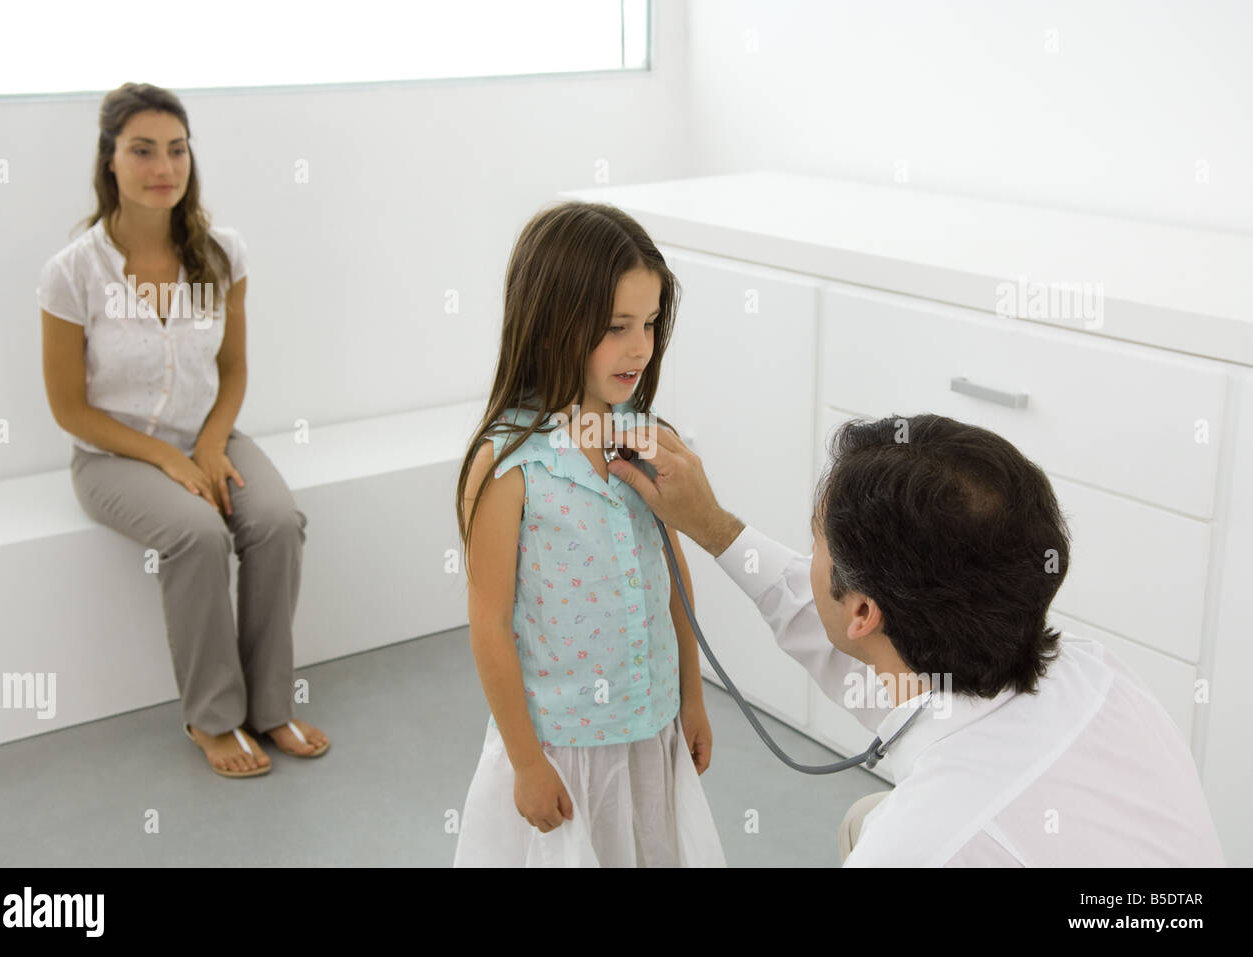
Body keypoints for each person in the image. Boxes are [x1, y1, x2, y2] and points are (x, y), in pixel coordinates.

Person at [606, 414, 1227, 866]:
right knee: (863, 820)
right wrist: (713, 526)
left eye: (816, 542)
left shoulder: (922, 844)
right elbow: (826, 614)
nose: (808, 559)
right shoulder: (1095, 673)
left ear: (865, 612)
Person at [37, 82, 328, 779]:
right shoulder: (71, 273)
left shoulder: (222, 254)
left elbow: (233, 371)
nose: (163, 167)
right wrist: (168, 460)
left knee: (278, 520)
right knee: (196, 534)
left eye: (176, 149)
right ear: (110, 160)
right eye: (142, 151)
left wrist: (206, 444)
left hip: (209, 435)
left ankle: (269, 704)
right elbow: (71, 410)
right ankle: (213, 715)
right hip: (113, 453)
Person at [452, 201, 725, 866]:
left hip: (650, 725)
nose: (640, 347)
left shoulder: (651, 440)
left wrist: (691, 695)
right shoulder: (509, 466)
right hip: (562, 745)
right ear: (551, 326)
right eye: (616, 327)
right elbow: (489, 622)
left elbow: (672, 577)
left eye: (652, 323)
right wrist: (524, 761)